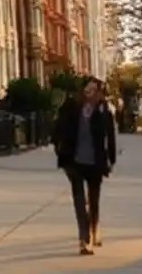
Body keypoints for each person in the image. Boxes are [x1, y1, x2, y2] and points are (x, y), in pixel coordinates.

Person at [52, 77, 117, 255]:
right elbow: (56, 129)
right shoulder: (71, 108)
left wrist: (111, 160)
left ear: (99, 94)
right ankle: (84, 238)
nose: (90, 94)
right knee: (80, 201)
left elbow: (110, 138)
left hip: (95, 162)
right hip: (74, 162)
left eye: (94, 91)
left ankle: (94, 227)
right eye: (87, 90)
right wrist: (59, 150)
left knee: (93, 200)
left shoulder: (104, 112)